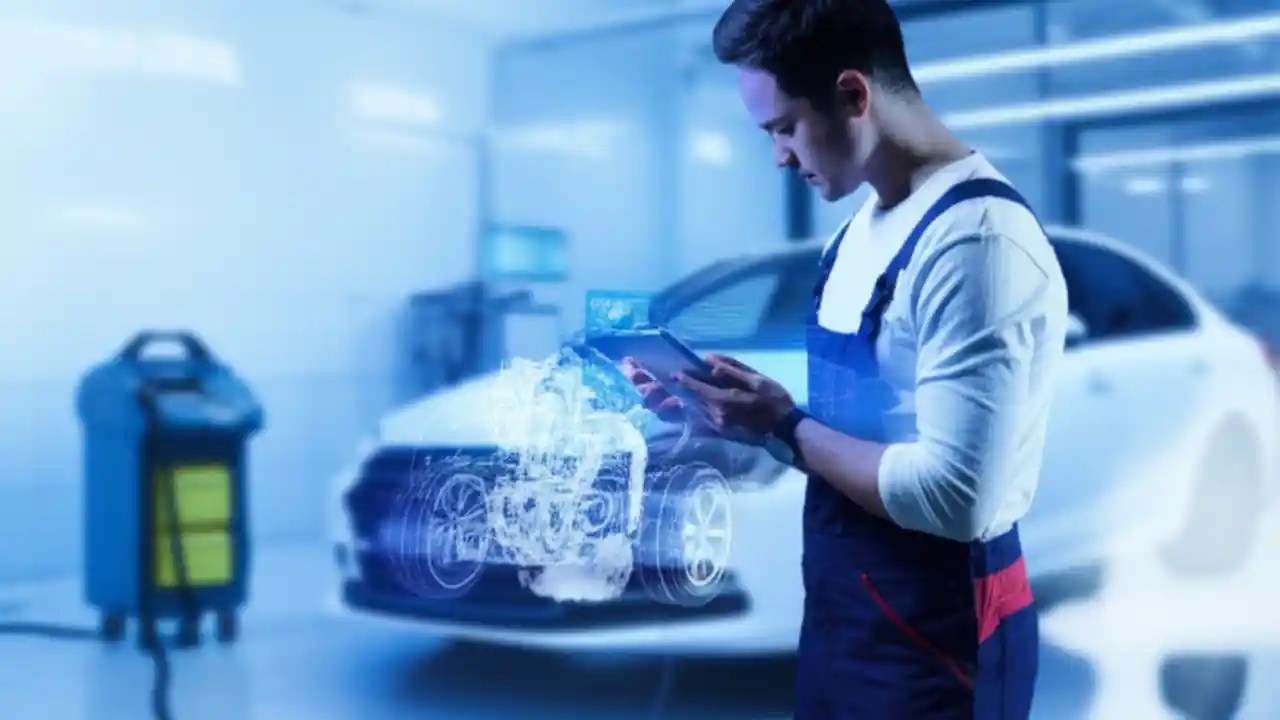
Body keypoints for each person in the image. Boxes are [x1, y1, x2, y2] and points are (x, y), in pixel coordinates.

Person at [621, 1, 1069, 717]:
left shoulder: (977, 243)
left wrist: (786, 426)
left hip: (945, 634)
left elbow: (956, 498)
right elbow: (857, 431)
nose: (778, 155)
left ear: (854, 95)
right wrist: (733, 420)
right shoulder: (857, 232)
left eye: (784, 127)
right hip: (844, 616)